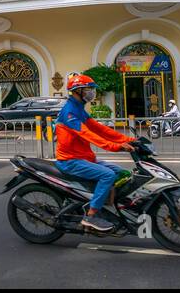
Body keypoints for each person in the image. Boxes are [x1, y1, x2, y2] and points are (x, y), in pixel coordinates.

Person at [55, 74, 136, 233]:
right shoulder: (69, 112)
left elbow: (99, 129)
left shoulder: (78, 108)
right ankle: (90, 216)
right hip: (70, 161)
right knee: (107, 175)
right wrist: (117, 147)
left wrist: (129, 139)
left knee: (123, 173)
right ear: (78, 91)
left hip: (84, 158)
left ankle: (107, 206)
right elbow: (89, 135)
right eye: (89, 89)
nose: (92, 92)